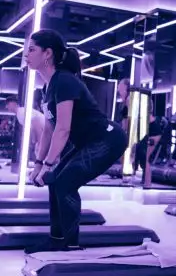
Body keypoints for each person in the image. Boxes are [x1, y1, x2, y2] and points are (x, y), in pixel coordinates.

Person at [24, 29, 129, 254]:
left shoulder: (64, 81)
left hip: (108, 138)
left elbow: (63, 129)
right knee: (55, 181)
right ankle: (56, 238)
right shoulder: (48, 87)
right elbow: (48, 130)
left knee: (65, 183)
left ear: (47, 54)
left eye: (31, 50)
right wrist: (39, 164)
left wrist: (50, 164)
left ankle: (70, 245)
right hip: (89, 142)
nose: (26, 54)